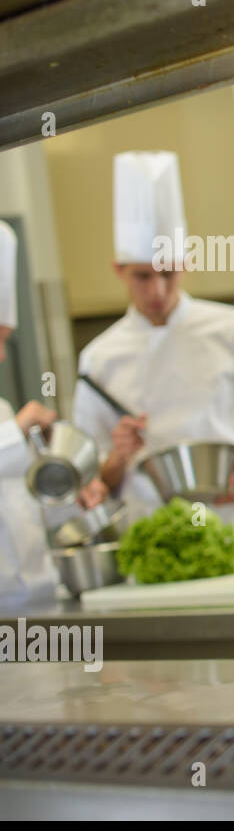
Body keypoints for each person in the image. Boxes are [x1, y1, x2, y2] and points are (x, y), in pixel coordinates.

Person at [73, 151, 234, 566]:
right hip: (151, 541)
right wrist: (117, 457)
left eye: (168, 273)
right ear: (118, 269)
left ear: (186, 263)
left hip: (233, 528)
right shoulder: (98, 359)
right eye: (143, 276)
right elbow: (89, 479)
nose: (157, 291)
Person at [0, 219, 59, 602]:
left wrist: (67, 484)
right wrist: (17, 431)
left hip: (41, 604)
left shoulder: (2, 409)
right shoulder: (11, 421)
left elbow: (25, 511)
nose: (2, 355)